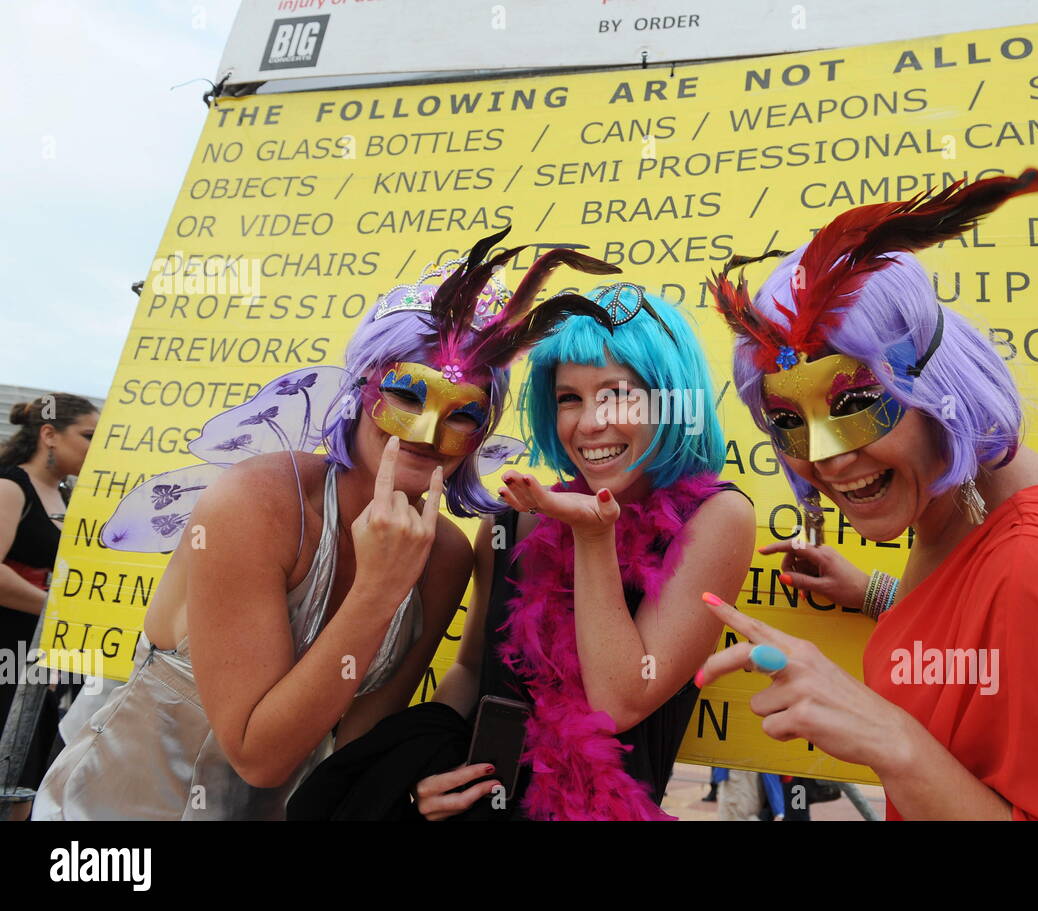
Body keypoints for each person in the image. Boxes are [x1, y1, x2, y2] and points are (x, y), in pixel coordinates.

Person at [696, 170, 1038, 821]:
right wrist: (875, 595)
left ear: (933, 385)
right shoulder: (968, 519)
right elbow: (1002, 654)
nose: (827, 456)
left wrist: (892, 742)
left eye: (855, 403)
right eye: (790, 421)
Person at [34, 229, 616, 820]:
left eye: (463, 412)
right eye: (407, 395)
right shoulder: (259, 503)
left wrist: (401, 796)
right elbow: (257, 756)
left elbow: (357, 745)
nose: (426, 432)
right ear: (363, 388)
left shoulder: (443, 554)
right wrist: (379, 588)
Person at [291, 283, 755, 821]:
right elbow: (470, 671)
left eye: (617, 394)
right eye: (569, 399)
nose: (589, 423)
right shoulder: (510, 520)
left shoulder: (716, 518)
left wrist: (592, 537)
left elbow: (619, 699)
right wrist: (419, 773)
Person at [0, 393, 98, 789]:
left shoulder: (69, 496)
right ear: (49, 434)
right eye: (88, 435)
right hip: (8, 645)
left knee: (30, 775)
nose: (96, 447)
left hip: (40, 654)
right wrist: (59, 612)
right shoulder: (10, 486)